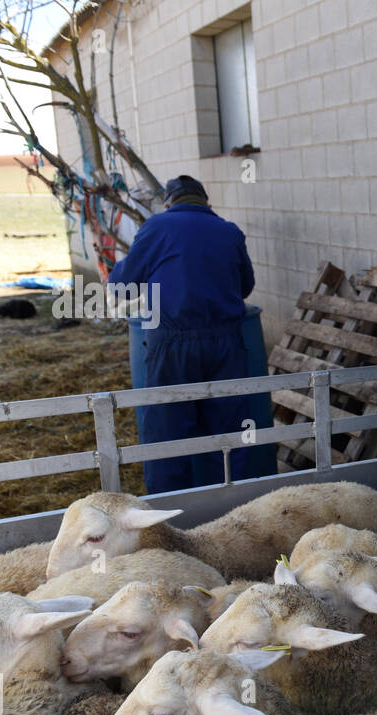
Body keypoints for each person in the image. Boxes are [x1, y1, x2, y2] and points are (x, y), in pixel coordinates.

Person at [108, 175, 261, 494]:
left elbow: (122, 285)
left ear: (168, 203)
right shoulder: (229, 231)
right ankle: (228, 511)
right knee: (228, 434)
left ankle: (170, 516)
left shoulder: (156, 227)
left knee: (167, 436)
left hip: (173, 348)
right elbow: (245, 286)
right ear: (205, 202)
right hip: (226, 346)